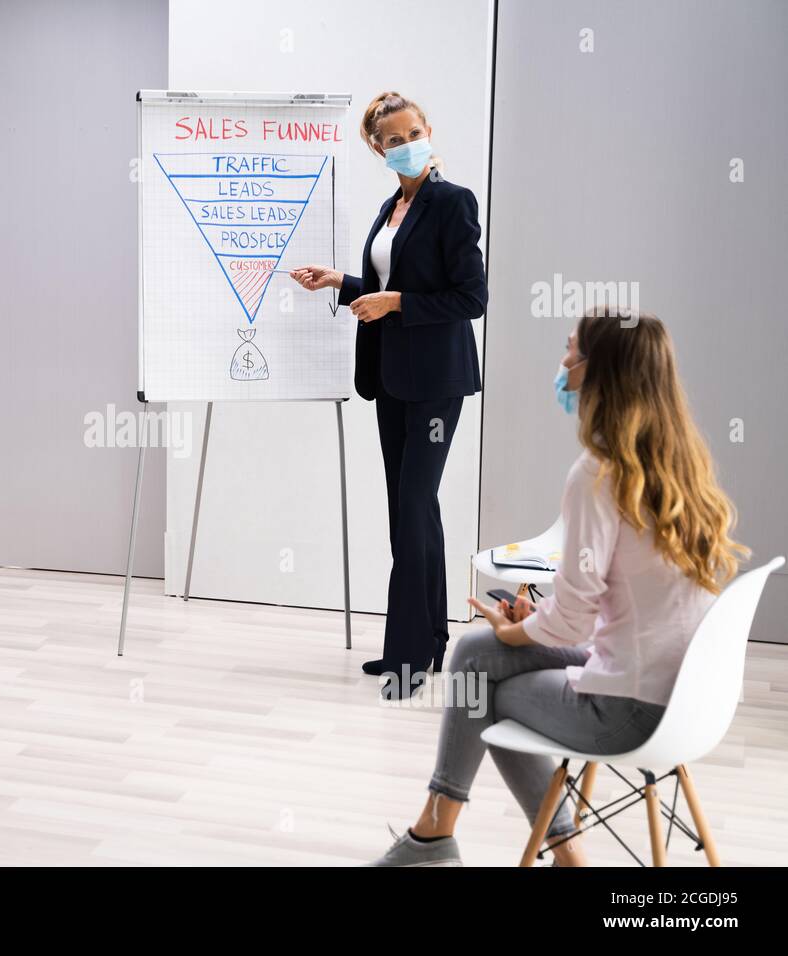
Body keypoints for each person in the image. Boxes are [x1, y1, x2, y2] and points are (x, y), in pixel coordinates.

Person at [368, 306, 748, 866]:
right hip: (688, 695)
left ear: (600, 373)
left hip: (632, 709)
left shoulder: (598, 474)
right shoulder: (682, 464)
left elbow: (570, 619)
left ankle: (475, 840)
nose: (562, 362)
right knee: (476, 647)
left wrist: (520, 632)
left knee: (483, 685)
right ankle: (439, 833)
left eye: (571, 350)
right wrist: (527, 625)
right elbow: (616, 601)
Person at [292, 92, 486, 697]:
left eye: (413, 132)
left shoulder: (453, 203)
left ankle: (405, 658)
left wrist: (395, 302)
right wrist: (341, 282)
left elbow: (470, 299)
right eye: (393, 139)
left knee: (413, 506)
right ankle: (426, 643)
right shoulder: (390, 207)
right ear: (377, 149)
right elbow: (388, 283)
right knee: (413, 511)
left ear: (429, 130)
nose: (406, 144)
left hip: (434, 384)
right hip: (391, 379)